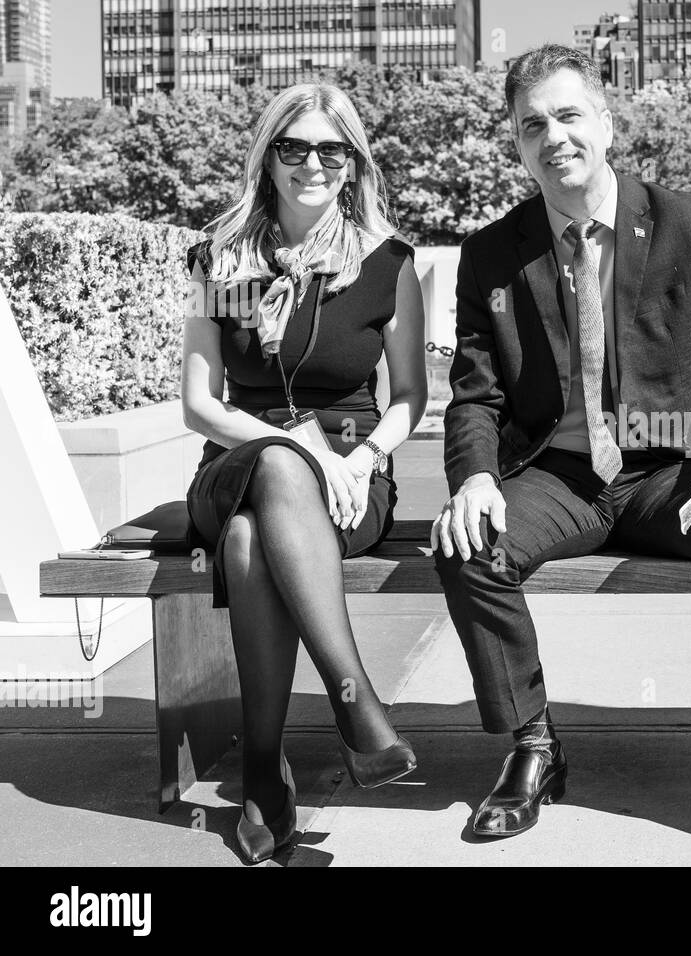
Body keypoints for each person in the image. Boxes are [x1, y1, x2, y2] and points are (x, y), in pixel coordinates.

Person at [433, 45, 691, 853]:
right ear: (517, 144)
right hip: (559, 477)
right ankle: (533, 745)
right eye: (533, 126)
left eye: (569, 116)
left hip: (670, 472)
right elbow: (476, 393)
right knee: (466, 546)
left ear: (605, 122)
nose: (554, 136)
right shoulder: (491, 252)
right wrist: (476, 479)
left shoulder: (685, 221)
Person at [181, 83, 427, 864]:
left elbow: (411, 398)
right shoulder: (218, 261)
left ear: (351, 164)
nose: (312, 164)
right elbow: (199, 405)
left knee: (252, 544)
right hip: (233, 469)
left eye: (331, 150)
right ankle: (354, 704)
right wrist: (303, 447)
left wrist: (358, 457)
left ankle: (263, 776)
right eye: (294, 148)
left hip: (353, 483)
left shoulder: (388, 265)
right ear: (269, 158)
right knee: (275, 473)